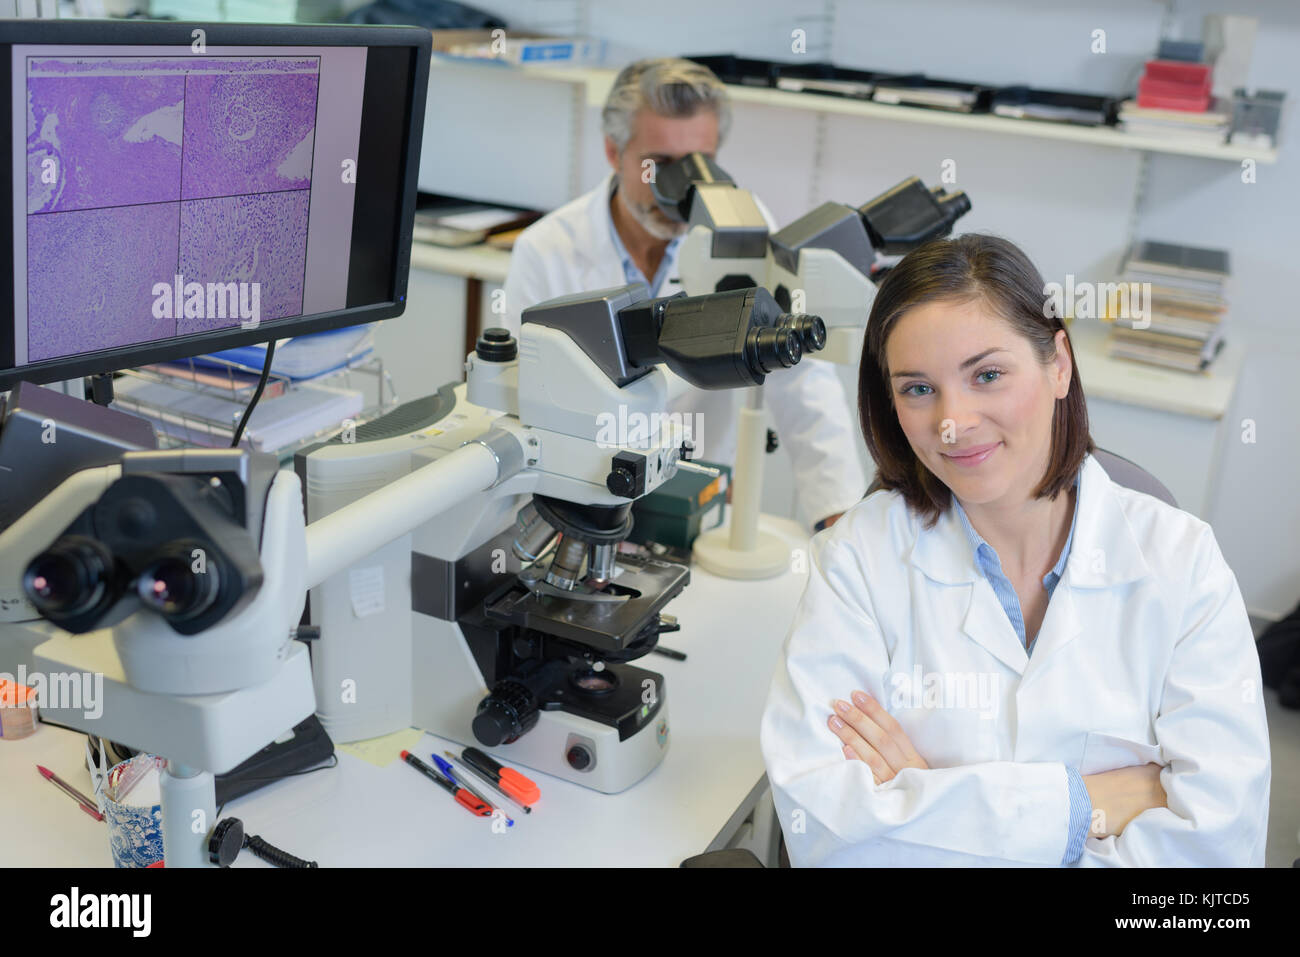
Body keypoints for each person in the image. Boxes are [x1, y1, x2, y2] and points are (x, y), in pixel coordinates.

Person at [759, 233, 1270, 866]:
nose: (954, 420)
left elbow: (1214, 866)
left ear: (1059, 364)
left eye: (988, 375)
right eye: (917, 389)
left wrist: (927, 798)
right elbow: (828, 835)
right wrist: (1082, 804)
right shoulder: (855, 560)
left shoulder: (1184, 565)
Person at [501, 57, 866, 531]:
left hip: (698, 483)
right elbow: (518, 397)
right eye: (662, 165)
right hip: (579, 495)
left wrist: (838, 515)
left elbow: (802, 382)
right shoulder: (547, 248)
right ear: (614, 151)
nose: (680, 189)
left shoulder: (746, 231)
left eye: (700, 163)